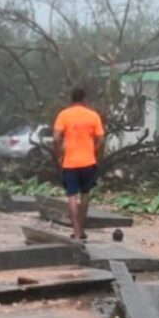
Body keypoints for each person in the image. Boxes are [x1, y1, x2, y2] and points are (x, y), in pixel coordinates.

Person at [53, 88, 105, 240]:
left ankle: (76, 231)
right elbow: (101, 139)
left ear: (72, 99)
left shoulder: (63, 115)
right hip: (88, 161)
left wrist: (59, 155)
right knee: (85, 194)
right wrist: (94, 152)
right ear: (84, 99)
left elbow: (56, 138)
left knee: (72, 196)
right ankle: (81, 229)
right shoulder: (93, 115)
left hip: (70, 162)